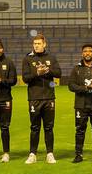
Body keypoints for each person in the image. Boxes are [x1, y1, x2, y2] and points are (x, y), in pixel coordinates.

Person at [20, 33, 61, 164]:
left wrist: (47, 70)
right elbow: (25, 78)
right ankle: (32, 154)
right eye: (35, 44)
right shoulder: (27, 59)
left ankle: (50, 153)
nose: (36, 46)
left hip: (49, 98)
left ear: (44, 44)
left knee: (49, 127)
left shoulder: (51, 57)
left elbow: (58, 73)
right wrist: (36, 73)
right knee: (35, 127)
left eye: (39, 44)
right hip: (34, 98)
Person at [68, 43, 92, 163]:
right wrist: (84, 88)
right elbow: (71, 85)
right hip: (81, 105)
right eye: (85, 51)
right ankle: (78, 155)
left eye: (90, 51)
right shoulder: (76, 68)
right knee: (80, 130)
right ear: (82, 53)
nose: (87, 53)